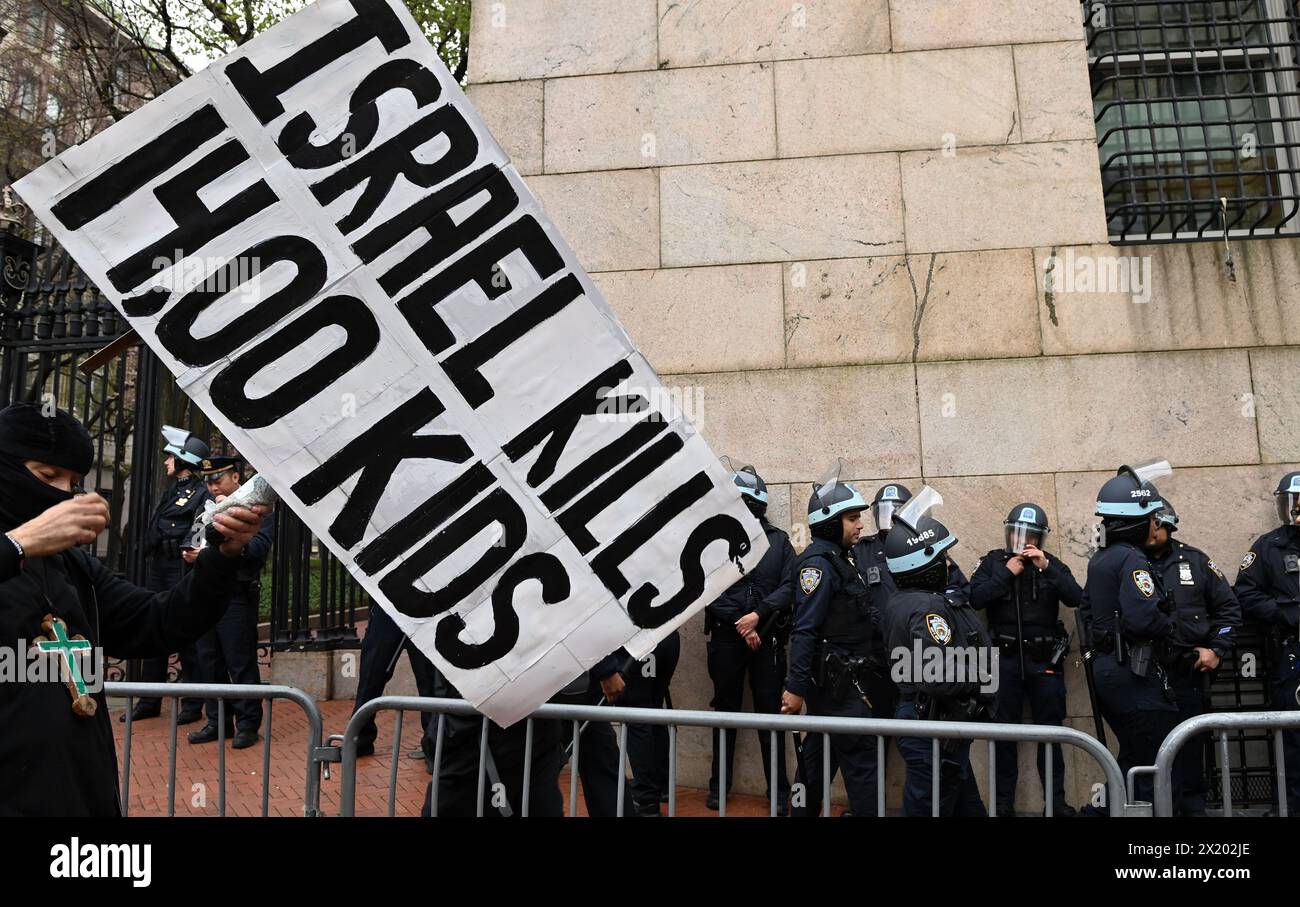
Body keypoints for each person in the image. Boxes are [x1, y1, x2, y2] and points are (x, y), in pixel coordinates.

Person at [0, 402, 268, 816]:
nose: (61, 493)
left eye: (72, 482)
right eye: (46, 475)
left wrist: (223, 554)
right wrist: (15, 545)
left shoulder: (72, 565)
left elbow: (158, 621)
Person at [884, 487, 993, 817]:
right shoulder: (928, 607)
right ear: (923, 563)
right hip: (931, 727)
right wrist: (981, 678)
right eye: (942, 558)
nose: (948, 565)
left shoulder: (903, 600)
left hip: (933, 726)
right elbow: (938, 674)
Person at [969, 502, 1083, 816]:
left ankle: (1056, 803)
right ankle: (1003, 803)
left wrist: (1047, 567)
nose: (1023, 540)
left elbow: (1076, 597)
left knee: (1051, 733)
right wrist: (1005, 575)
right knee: (1004, 734)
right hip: (1004, 662)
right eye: (1017, 533)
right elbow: (974, 597)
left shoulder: (1051, 565)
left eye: (1030, 535)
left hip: (1042, 661)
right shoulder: (993, 563)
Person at [780, 468, 880, 817]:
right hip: (839, 687)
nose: (860, 525)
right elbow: (804, 629)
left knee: (817, 762)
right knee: (863, 765)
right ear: (829, 522)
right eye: (852, 518)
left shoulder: (840, 560)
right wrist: (795, 688)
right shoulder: (819, 566)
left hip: (843, 683)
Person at [1081, 461, 1180, 809]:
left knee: (1135, 757)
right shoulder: (1131, 560)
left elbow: (1087, 610)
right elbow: (1142, 619)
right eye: (1152, 517)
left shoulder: (1102, 559)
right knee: (1151, 759)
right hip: (1133, 671)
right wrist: (1172, 629)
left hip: (1111, 667)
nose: (1155, 523)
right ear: (1138, 520)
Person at [1145, 499, 1240, 816]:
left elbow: (1229, 612)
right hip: (1144, 674)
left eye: (1157, 524)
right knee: (1148, 747)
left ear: (1168, 525)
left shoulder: (1195, 561)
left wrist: (1217, 649)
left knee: (1190, 746)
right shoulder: (1128, 561)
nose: (1152, 531)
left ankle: (1192, 808)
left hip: (1187, 673)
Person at [710, 465, 795, 811]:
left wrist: (758, 617)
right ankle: (718, 787)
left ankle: (778, 791)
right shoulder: (713, 541)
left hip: (768, 640)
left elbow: (791, 586)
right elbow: (704, 589)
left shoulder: (779, 542)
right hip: (728, 640)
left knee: (770, 717)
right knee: (723, 715)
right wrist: (740, 623)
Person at [183, 455, 275, 750]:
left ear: (236, 478)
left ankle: (248, 723)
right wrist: (189, 552)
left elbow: (259, 548)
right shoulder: (205, 507)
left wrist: (224, 551)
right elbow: (192, 539)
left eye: (217, 479)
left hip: (236, 593)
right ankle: (217, 721)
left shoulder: (256, 506)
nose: (211, 487)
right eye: (207, 481)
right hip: (205, 592)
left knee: (240, 660)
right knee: (209, 659)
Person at [130, 426, 211, 722]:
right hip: (160, 567)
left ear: (183, 459)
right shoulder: (171, 492)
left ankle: (192, 704)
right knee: (154, 628)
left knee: (186, 633)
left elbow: (200, 527)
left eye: (170, 457)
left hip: (180, 568)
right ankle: (149, 701)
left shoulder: (201, 493)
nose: (166, 462)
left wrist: (191, 549)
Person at [1234, 471, 1300, 816]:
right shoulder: (1268, 546)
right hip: (1292, 652)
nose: (1297, 508)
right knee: (1291, 736)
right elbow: (1244, 593)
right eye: (1291, 501)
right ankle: (1288, 807)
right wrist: (1287, 613)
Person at [349, 602, 439, 758]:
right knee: (372, 673)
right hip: (390, 602)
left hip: (422, 606)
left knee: (428, 679)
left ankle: (435, 745)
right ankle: (358, 739)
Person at [620, 631, 680, 816]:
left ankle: (646, 798)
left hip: (639, 640)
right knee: (652, 711)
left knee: (638, 716)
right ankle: (660, 785)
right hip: (667, 637)